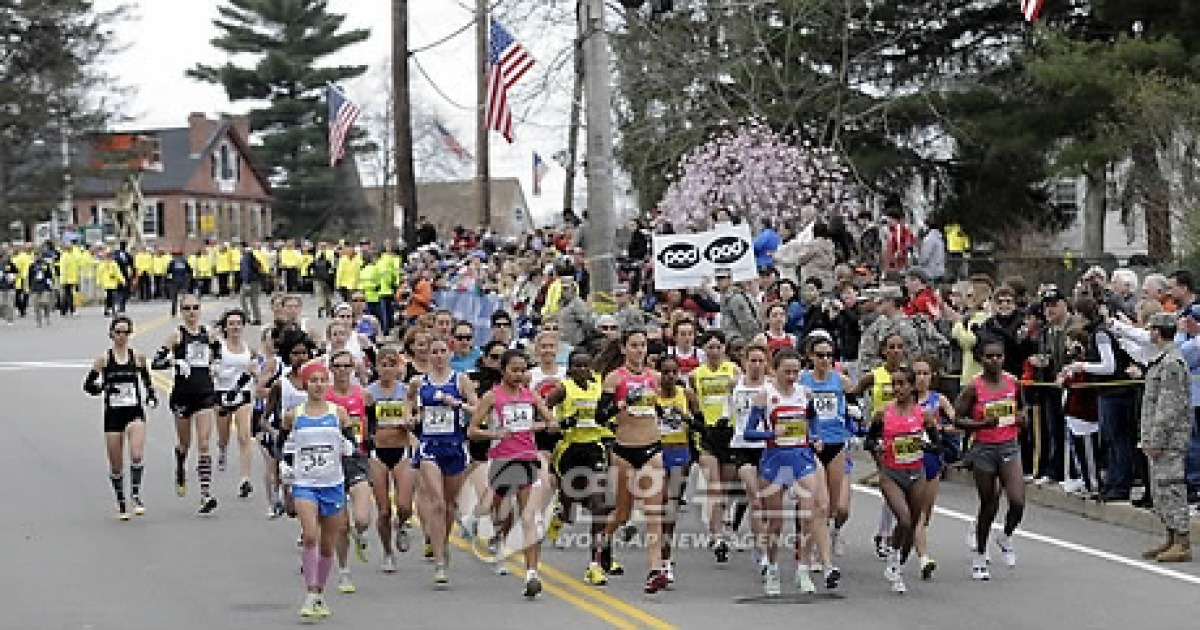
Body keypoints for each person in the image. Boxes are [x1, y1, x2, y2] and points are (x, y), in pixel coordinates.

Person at [744, 349, 838, 596]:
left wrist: (815, 436)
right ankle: (772, 567)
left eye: (796, 372)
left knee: (808, 516)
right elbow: (748, 433)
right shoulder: (765, 396)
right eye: (787, 372)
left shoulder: (804, 394)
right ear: (774, 370)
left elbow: (813, 421)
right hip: (774, 461)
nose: (792, 377)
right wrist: (770, 434)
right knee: (775, 522)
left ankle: (803, 569)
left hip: (801, 458)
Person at [470, 350, 558, 599]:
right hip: (502, 460)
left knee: (530, 518)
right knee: (500, 511)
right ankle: (488, 528)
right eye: (514, 370)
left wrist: (548, 424)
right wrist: (495, 434)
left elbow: (551, 421)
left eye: (522, 370)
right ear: (503, 371)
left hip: (528, 458)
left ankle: (532, 574)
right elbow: (472, 430)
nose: (519, 375)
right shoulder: (492, 397)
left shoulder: (531, 396)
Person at [279, 360, 355, 619]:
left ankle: (319, 592)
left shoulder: (338, 413)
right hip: (305, 484)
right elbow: (282, 444)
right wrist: (285, 466)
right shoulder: (294, 415)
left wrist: (349, 448)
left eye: (323, 380)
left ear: (328, 383)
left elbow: (353, 444)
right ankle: (310, 593)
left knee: (327, 545)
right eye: (313, 380)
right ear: (305, 384)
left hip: (332, 483)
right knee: (310, 535)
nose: (319, 385)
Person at [597, 329, 671, 594]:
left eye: (643, 346)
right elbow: (599, 416)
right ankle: (604, 539)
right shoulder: (615, 378)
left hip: (652, 449)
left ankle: (655, 570)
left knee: (653, 512)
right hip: (624, 451)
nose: (639, 350)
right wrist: (618, 406)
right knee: (622, 513)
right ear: (624, 348)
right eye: (634, 345)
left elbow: (659, 408)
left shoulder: (655, 378)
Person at [407, 337, 478, 586]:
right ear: (428, 355)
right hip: (429, 446)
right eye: (434, 352)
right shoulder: (419, 382)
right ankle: (439, 562)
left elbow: (478, 408)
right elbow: (409, 403)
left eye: (442, 351)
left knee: (448, 505)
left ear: (449, 354)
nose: (438, 356)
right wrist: (410, 417)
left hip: (454, 446)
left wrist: (457, 404)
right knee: (436, 502)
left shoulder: (460, 380)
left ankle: (442, 542)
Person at [954, 335, 1026, 581]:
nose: (994, 361)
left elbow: (1022, 408)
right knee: (989, 504)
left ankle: (1005, 536)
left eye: (999, 356)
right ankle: (980, 554)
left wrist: (1022, 418)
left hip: (1009, 446)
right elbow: (957, 419)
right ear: (981, 360)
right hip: (984, 449)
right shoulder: (974, 387)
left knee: (1017, 501)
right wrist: (981, 424)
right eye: (989, 357)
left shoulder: (1013, 383)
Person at [867, 364, 939, 594]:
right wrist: (878, 446)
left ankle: (898, 562)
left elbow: (937, 445)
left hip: (916, 473)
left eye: (902, 384)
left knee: (914, 522)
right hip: (891, 474)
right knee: (905, 520)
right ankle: (894, 557)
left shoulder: (924, 415)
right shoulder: (883, 413)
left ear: (911, 386)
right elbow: (869, 440)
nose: (897, 389)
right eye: (894, 384)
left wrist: (924, 445)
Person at [152, 293, 222, 514]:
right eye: (187, 308)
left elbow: (219, 352)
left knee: (204, 443)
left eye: (195, 308)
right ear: (181, 312)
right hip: (182, 395)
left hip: (204, 393)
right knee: (185, 443)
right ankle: (180, 465)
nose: (192, 312)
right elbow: (156, 362)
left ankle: (205, 494)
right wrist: (175, 362)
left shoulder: (208, 334)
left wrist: (215, 365)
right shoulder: (176, 336)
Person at [83, 316, 158, 519]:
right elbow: (88, 385)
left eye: (126, 332)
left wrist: (151, 395)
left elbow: (147, 381)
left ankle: (136, 495)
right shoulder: (104, 360)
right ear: (111, 334)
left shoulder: (138, 358)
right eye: (118, 332)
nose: (122, 336)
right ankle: (121, 501)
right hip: (113, 415)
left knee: (136, 454)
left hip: (134, 412)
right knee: (116, 465)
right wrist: (103, 387)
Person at [1138, 311, 1193, 562]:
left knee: (1171, 486)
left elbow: (1168, 406)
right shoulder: (1162, 359)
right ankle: (1170, 535)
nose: (1149, 333)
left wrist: (1157, 438)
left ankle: (1182, 541)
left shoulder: (1171, 363)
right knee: (1160, 488)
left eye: (1152, 329)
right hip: (1158, 435)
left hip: (1169, 438)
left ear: (1158, 332)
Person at [325, 349, 374, 594]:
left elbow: (372, 424)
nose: (343, 370)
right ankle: (344, 572)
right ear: (331, 369)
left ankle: (361, 533)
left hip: (357, 459)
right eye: (338, 366)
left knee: (362, 518)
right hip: (331, 464)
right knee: (341, 525)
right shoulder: (324, 396)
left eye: (347, 366)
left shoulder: (363, 395)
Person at [365, 345, 417, 572]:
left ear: (398, 368)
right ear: (376, 368)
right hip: (378, 452)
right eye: (383, 365)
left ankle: (402, 523)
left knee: (404, 506)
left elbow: (413, 415)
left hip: (401, 450)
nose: (387, 370)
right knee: (384, 510)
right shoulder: (368, 393)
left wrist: (410, 422)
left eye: (392, 365)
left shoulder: (405, 392)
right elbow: (363, 423)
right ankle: (387, 551)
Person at [912, 356, 957, 579]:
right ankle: (923, 558)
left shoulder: (939, 400)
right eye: (917, 374)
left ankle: (900, 541)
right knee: (917, 514)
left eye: (925, 374)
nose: (921, 378)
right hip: (910, 461)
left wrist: (942, 428)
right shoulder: (905, 400)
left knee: (926, 514)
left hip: (932, 459)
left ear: (932, 377)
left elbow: (956, 422)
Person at [213, 309, 258, 499]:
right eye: (231, 324)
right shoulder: (219, 347)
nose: (235, 327)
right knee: (224, 436)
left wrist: (254, 372)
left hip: (243, 395)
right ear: (225, 327)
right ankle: (222, 450)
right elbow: (213, 370)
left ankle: (245, 479)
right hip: (223, 394)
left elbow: (255, 370)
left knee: (244, 436)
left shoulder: (249, 349)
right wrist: (223, 372)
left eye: (238, 323)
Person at [239, 245, 265, 325]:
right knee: (254, 301)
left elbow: (246, 270)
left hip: (249, 281)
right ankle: (257, 318)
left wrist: (246, 282)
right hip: (257, 281)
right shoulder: (253, 257)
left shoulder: (245, 258)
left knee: (242, 298)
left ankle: (247, 316)